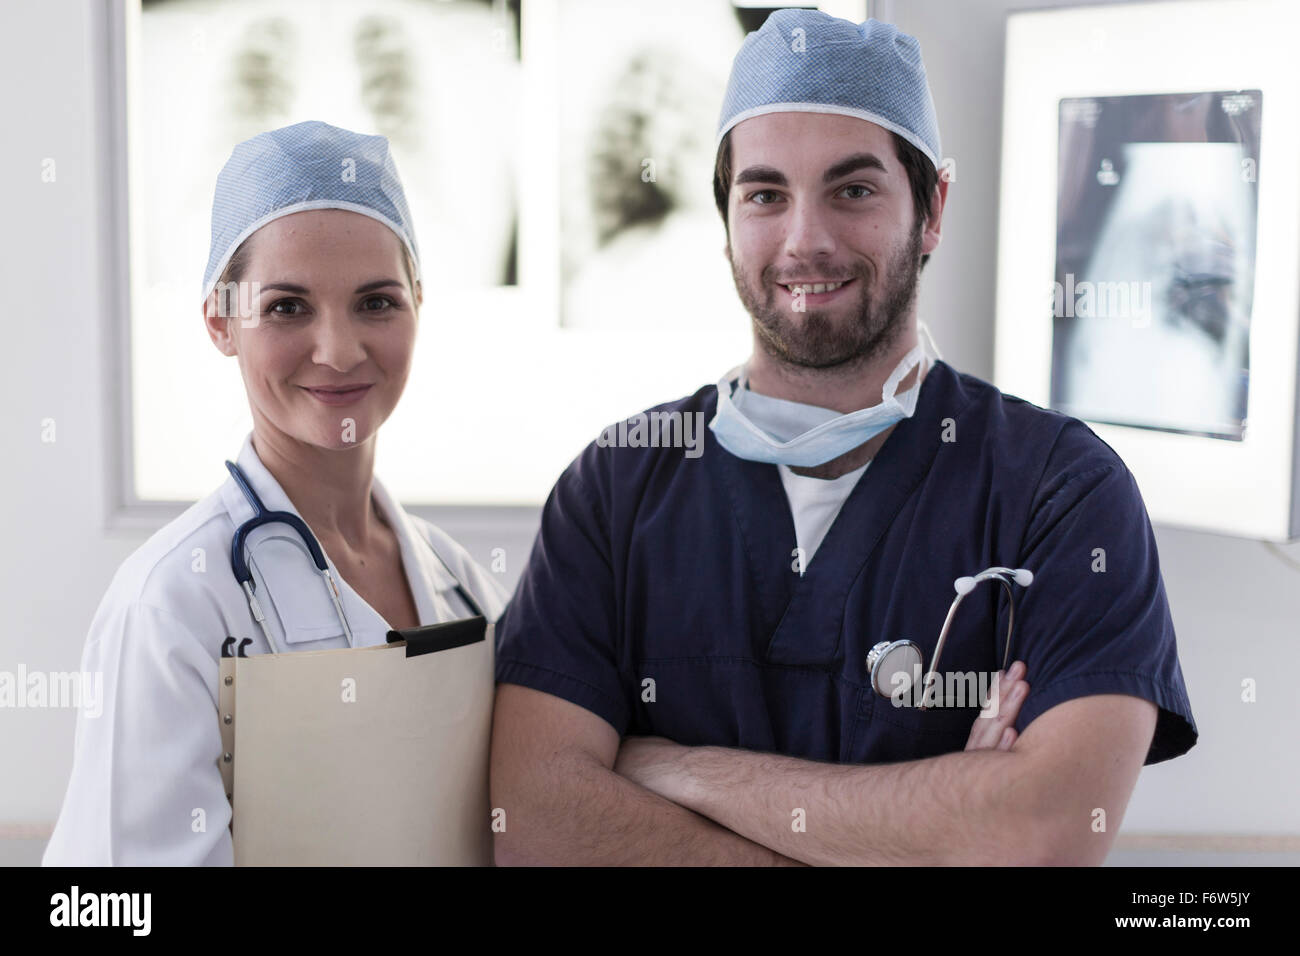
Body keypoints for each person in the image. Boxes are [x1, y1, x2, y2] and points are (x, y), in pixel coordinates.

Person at [490, 10, 1197, 866]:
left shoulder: (1062, 493)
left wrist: (677, 769)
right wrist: (938, 826)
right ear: (726, 218)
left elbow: (1040, 834)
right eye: (764, 195)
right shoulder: (614, 492)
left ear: (932, 208)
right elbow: (535, 827)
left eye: (852, 189)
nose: (805, 240)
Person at [43, 120, 508, 866]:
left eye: (377, 302)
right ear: (220, 322)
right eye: (287, 307)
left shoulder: (462, 584)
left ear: (420, 301)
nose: (339, 350)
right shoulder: (169, 608)